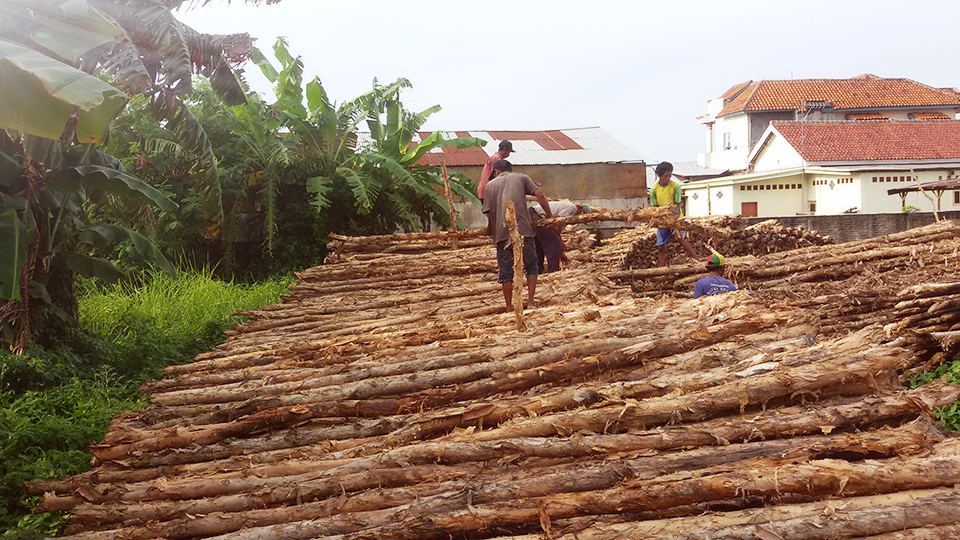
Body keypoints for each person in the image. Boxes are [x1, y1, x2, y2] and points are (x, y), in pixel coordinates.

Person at [482, 160, 552, 311]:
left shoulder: (490, 185)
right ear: (509, 170)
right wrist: (550, 216)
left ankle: (509, 307)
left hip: (502, 233)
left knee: (506, 271)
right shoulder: (521, 177)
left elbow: (490, 213)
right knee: (531, 266)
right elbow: (540, 194)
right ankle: (531, 302)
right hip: (523, 231)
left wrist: (490, 230)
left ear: (496, 172)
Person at [649, 161, 698, 266]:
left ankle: (697, 260)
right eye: (666, 176)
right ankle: (661, 270)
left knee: (679, 238)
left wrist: (673, 220)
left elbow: (677, 205)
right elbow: (655, 208)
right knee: (661, 247)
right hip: (663, 219)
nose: (668, 178)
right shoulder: (653, 190)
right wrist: (656, 219)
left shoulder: (675, 186)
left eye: (670, 176)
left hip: (676, 217)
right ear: (659, 175)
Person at [528, 201, 592, 273]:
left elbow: (558, 227)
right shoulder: (572, 208)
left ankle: (537, 271)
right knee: (554, 242)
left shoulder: (569, 207)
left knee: (539, 245)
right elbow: (557, 222)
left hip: (532, 213)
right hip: (537, 216)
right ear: (581, 211)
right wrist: (560, 244)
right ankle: (553, 271)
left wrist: (560, 251)